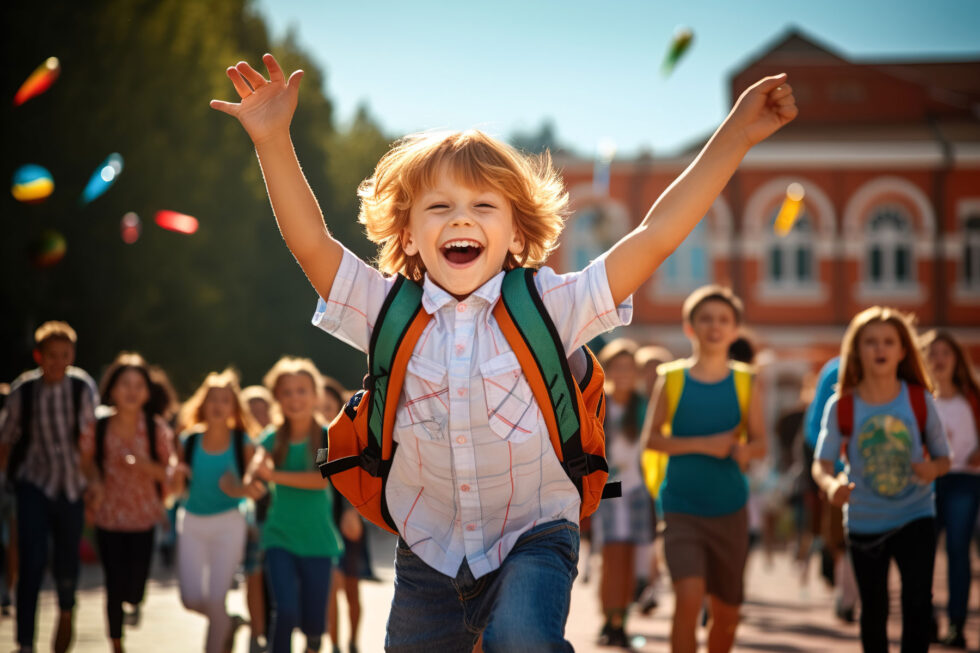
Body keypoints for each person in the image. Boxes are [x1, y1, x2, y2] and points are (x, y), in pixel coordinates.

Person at [210, 51, 796, 650]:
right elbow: (311, 243)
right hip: (429, 548)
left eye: (483, 206)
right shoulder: (383, 308)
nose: (461, 218)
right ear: (408, 233)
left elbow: (656, 235)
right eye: (439, 207)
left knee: (522, 636)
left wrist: (736, 135)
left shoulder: (551, 305)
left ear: (516, 233)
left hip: (535, 532)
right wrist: (273, 140)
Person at [812, 307, 951, 653]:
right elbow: (822, 464)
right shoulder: (841, 405)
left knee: (917, 606)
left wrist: (932, 470)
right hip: (864, 521)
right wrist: (831, 487)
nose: (880, 349)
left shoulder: (919, 400)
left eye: (888, 341)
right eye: (870, 342)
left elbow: (945, 458)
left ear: (903, 350)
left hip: (916, 516)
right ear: (856, 350)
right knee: (873, 610)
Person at [642, 285, 767, 653]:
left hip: (730, 511)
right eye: (706, 319)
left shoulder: (747, 380)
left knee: (727, 615)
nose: (715, 326)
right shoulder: (672, 377)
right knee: (688, 597)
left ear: (734, 329)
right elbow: (652, 440)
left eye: (724, 320)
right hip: (680, 508)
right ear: (690, 327)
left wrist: (741, 450)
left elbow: (761, 445)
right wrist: (705, 444)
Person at [0, 321, 99, 653]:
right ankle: (25, 641)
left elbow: (89, 442)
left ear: (72, 355)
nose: (58, 362)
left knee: (66, 561)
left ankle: (67, 610)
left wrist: (93, 483)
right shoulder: (22, 391)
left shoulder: (81, 387)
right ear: (39, 356)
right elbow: (6, 440)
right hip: (34, 483)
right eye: (52, 355)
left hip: (71, 486)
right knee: (31, 559)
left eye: (65, 355)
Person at [245, 357, 348, 653]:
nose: (294, 398)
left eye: (301, 390)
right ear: (277, 397)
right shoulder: (272, 439)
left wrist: (273, 475)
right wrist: (253, 480)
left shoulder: (326, 437)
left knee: (314, 625)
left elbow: (320, 480)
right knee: (285, 611)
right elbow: (255, 470)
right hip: (279, 537)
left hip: (318, 541)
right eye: (286, 392)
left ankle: (314, 642)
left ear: (315, 394)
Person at [79, 352, 177, 653]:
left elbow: (168, 471)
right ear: (111, 388)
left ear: (148, 392)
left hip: (144, 518)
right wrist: (94, 481)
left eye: (138, 385)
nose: (132, 391)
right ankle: (116, 644)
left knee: (134, 589)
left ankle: (134, 602)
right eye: (125, 384)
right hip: (108, 517)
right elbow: (85, 461)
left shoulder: (155, 428)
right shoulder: (98, 424)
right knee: (113, 584)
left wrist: (142, 465)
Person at [174, 368, 262, 653]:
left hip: (229, 524)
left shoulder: (243, 443)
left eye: (225, 400)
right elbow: (175, 490)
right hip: (192, 523)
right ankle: (228, 622)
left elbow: (252, 490)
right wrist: (174, 476)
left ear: (234, 407)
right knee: (190, 599)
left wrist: (234, 489)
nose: (218, 405)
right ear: (202, 403)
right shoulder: (188, 441)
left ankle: (218, 630)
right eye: (212, 398)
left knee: (215, 599)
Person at [921, 329, 980, 649]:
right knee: (922, 554)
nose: (939, 358)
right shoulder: (918, 398)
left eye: (945, 352)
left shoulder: (972, 396)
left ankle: (957, 623)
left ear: (956, 358)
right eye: (932, 352)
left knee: (958, 550)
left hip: (964, 481)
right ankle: (926, 618)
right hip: (927, 482)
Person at [591, 338, 651, 646]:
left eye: (629, 367)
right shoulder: (600, 401)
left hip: (637, 490)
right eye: (617, 367)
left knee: (630, 557)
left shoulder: (642, 406)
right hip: (609, 490)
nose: (623, 373)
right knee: (611, 556)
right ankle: (608, 617)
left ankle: (621, 620)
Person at [241, 384, 277, 653]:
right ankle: (257, 634)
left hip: (279, 521)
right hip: (251, 522)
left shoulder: (277, 438)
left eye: (261, 409)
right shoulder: (239, 441)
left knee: (274, 581)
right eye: (250, 410)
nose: (256, 415)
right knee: (253, 575)